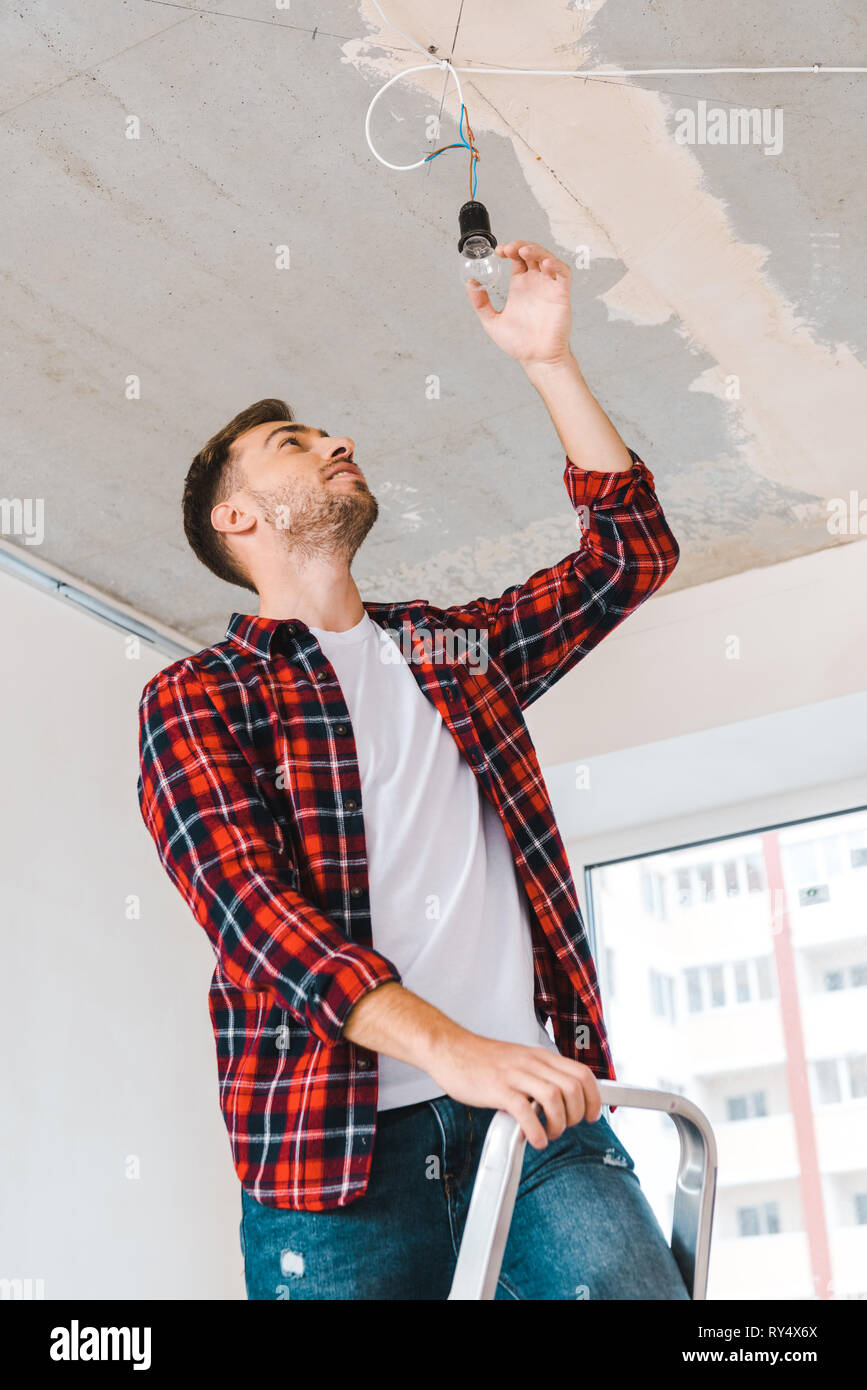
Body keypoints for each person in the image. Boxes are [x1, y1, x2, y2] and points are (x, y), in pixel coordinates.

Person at [137, 240, 686, 1300]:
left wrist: (550, 363)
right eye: (295, 443)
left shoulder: (448, 652)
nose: (339, 440)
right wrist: (450, 1049)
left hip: (534, 1120)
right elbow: (254, 915)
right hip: (332, 1160)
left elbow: (630, 555)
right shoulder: (199, 697)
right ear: (236, 517)